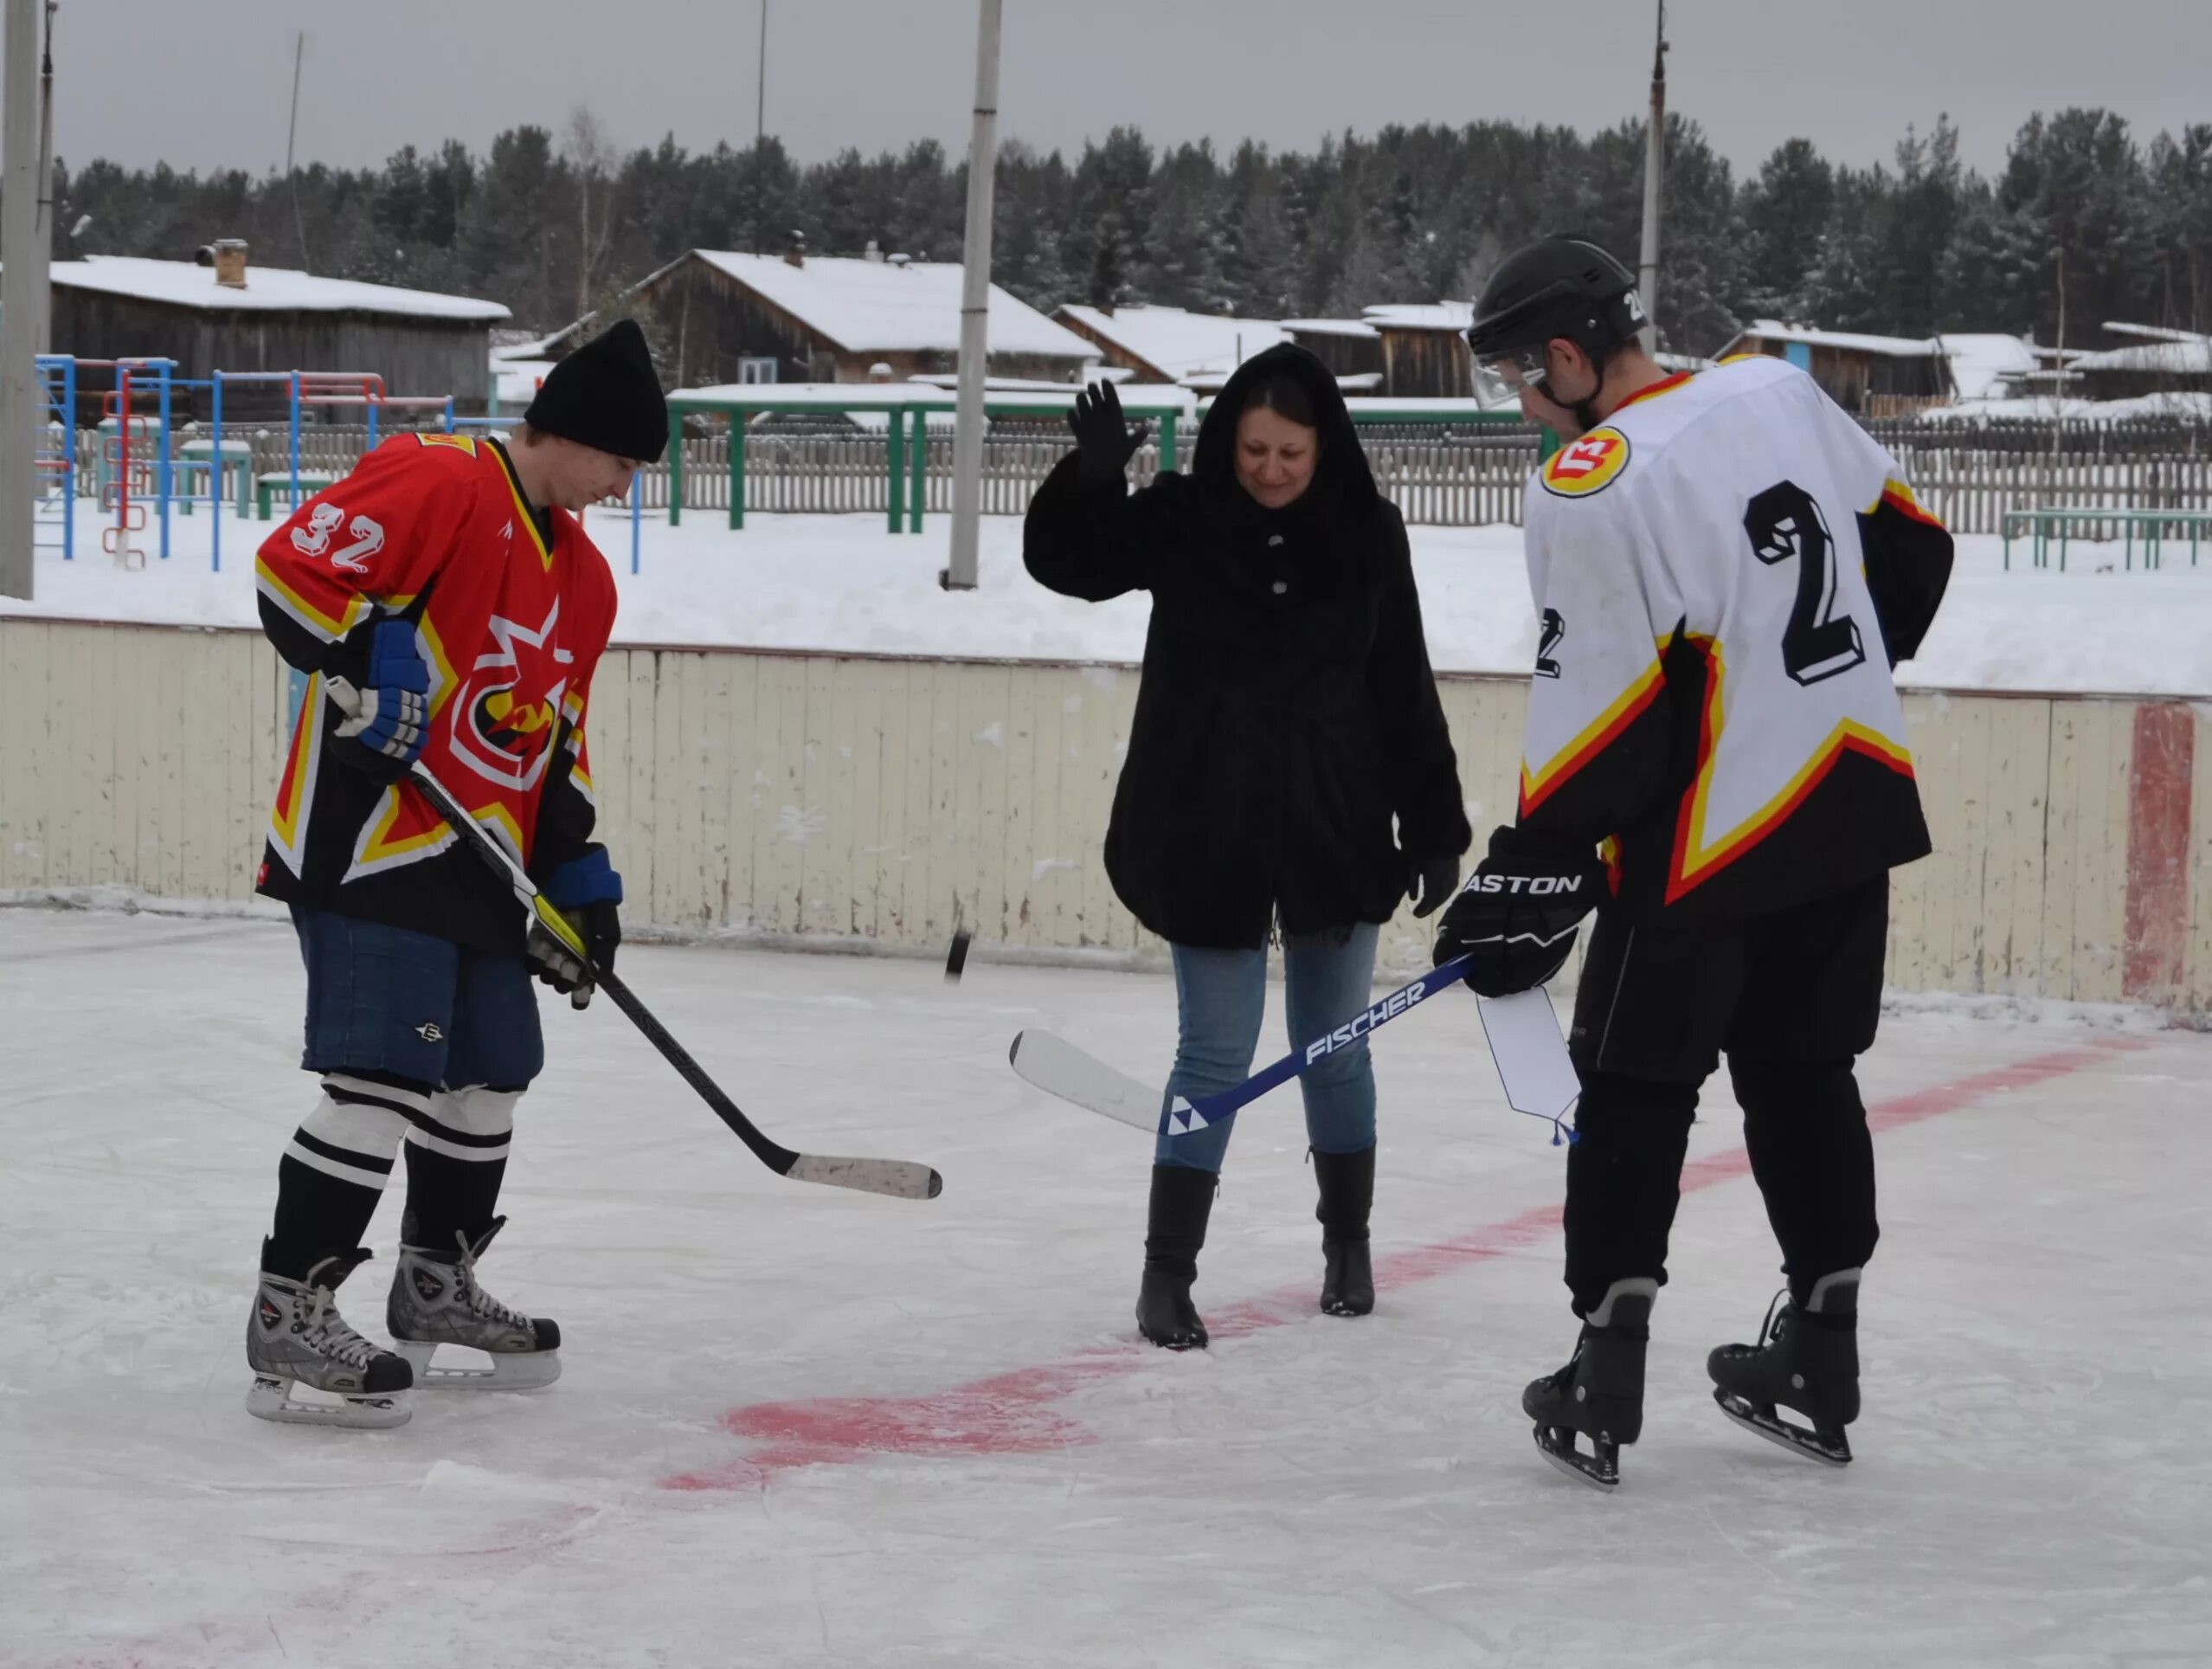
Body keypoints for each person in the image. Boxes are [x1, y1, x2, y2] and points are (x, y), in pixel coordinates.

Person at [1432, 237, 1953, 1486]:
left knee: (1635, 1086)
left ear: (1565, 359)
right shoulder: (1770, 386)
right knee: (1805, 1073)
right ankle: (1824, 1356)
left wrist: (1536, 862)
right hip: (1847, 801)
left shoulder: (1593, 478)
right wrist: (1802, 689)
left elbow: (1602, 711)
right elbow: (1916, 557)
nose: (1521, 402)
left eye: (1517, 376)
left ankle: (1604, 1373)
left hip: (1710, 842)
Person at [242, 320, 666, 1427]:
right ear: (571, 433)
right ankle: (291, 1302)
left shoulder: (586, 579)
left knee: (489, 1074)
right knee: (380, 1077)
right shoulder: (436, 479)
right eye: (623, 462)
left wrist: (579, 879)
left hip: (480, 863)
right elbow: (291, 571)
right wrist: (363, 655)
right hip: (372, 838)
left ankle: (434, 1287)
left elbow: (554, 745)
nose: (626, 485)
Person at [1026, 345, 1472, 1350]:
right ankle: (1166, 1275)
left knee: (1334, 1048)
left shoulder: (1366, 532)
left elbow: (1402, 681)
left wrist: (1435, 825)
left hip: (1335, 824)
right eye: (1253, 448)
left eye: (1290, 452)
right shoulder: (1184, 519)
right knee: (1214, 1052)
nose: (1268, 468)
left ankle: (1347, 1245)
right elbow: (1070, 563)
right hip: (1207, 825)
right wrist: (1093, 477)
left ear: (1326, 449)